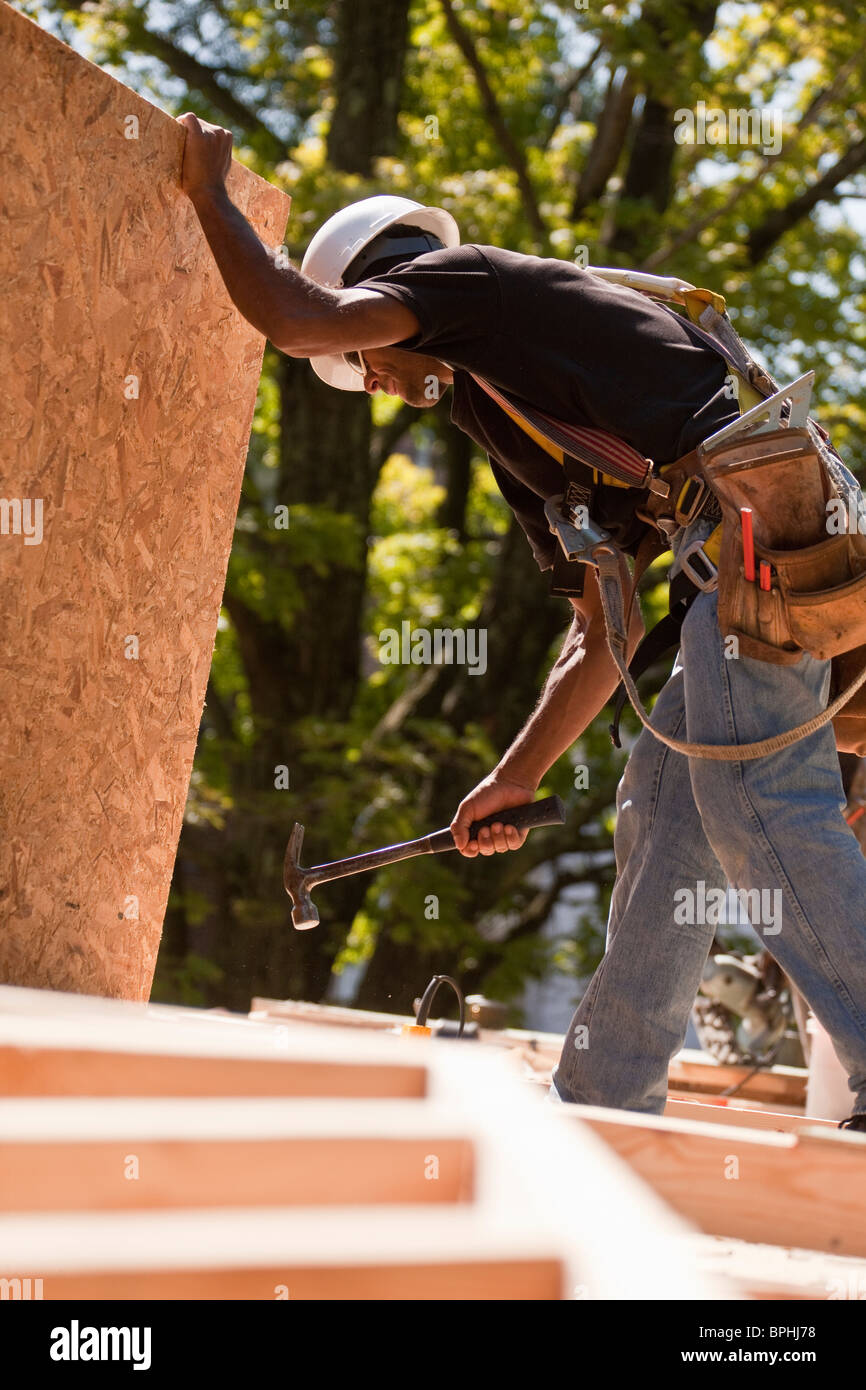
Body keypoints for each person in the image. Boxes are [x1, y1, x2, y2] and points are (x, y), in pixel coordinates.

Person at [178, 113, 866, 1129]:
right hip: (752, 546)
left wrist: (207, 193)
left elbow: (300, 320)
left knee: (756, 800)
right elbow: (606, 628)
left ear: (390, 281)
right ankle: (604, 1105)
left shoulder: (468, 285)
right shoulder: (510, 413)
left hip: (761, 535)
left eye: (364, 360)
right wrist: (515, 774)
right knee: (663, 820)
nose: (369, 380)